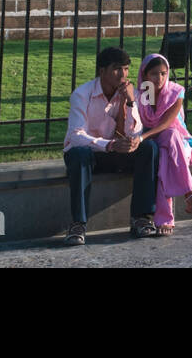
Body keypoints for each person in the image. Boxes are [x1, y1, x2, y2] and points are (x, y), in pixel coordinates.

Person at [63, 46, 160, 244]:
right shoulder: (82, 94)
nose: (123, 74)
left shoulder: (128, 93)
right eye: (117, 69)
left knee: (149, 148)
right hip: (90, 155)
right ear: (102, 71)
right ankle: (78, 224)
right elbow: (76, 136)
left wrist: (131, 103)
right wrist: (109, 145)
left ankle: (141, 218)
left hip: (116, 152)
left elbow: (134, 132)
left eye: (126, 69)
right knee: (78, 154)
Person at [136, 53, 192, 235]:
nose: (159, 78)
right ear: (145, 74)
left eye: (163, 73)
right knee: (163, 151)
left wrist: (144, 138)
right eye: (154, 74)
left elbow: (166, 123)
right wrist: (143, 138)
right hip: (151, 140)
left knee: (168, 149)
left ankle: (166, 218)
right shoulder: (140, 95)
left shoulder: (176, 91)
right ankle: (190, 196)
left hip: (176, 141)